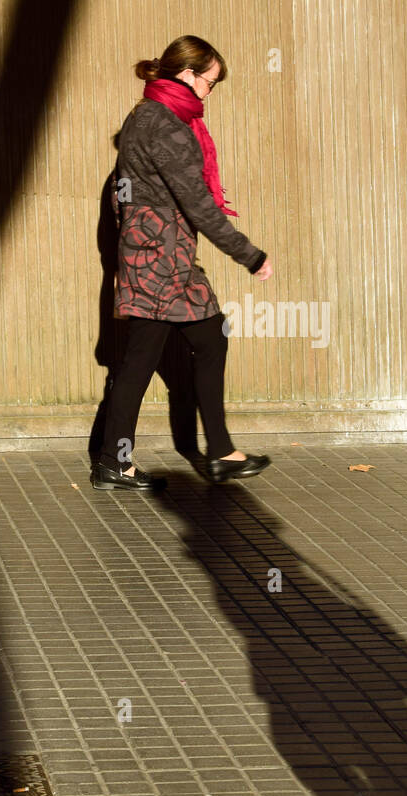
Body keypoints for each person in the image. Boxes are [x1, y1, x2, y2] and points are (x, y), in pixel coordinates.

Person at [93, 35, 275, 490]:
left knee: (208, 340)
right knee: (140, 360)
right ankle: (118, 462)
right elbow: (197, 203)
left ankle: (218, 452)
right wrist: (249, 255)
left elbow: (121, 194)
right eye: (209, 82)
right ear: (187, 75)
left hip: (156, 254)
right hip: (162, 259)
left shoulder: (145, 115)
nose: (210, 92)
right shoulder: (168, 126)